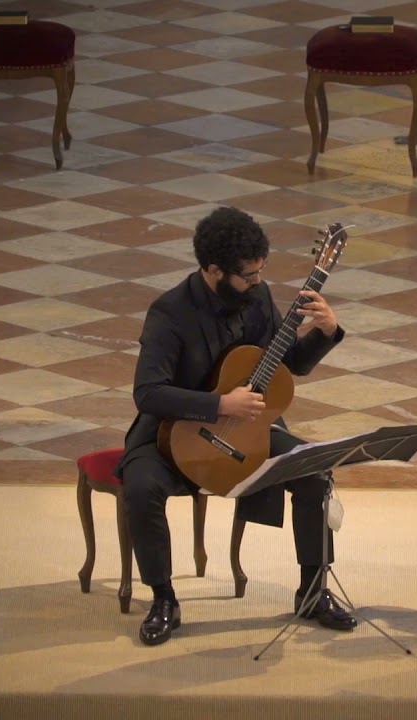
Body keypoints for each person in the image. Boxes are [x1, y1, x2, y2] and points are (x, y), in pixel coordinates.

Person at [117, 206, 356, 646]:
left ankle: (313, 591)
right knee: (140, 487)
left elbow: (286, 366)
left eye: (261, 272)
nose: (258, 282)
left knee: (314, 468)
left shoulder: (256, 298)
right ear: (213, 270)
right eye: (247, 275)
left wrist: (326, 332)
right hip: (172, 432)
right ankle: (164, 598)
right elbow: (147, 393)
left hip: (244, 431)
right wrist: (220, 403)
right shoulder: (168, 313)